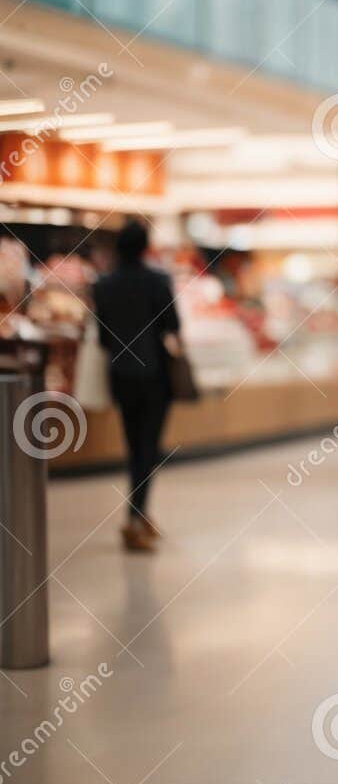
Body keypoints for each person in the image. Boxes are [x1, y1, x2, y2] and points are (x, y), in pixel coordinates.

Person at [91, 220, 182, 552]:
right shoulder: (157, 281)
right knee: (149, 447)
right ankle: (135, 515)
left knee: (134, 446)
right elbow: (172, 325)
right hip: (154, 375)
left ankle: (139, 514)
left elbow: (102, 338)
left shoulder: (103, 285)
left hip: (120, 374)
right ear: (145, 247)